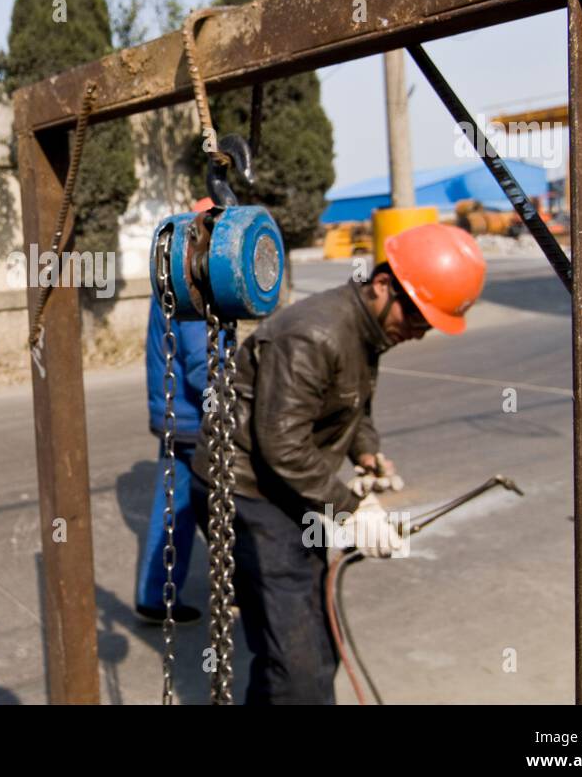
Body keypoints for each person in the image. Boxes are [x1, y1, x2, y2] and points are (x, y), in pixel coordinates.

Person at [189, 223, 486, 704]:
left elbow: (353, 405)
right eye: (415, 315)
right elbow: (281, 445)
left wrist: (366, 452)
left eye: (427, 323)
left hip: (286, 489)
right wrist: (352, 507)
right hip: (247, 494)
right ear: (384, 286)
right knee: (297, 664)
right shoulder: (315, 333)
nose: (417, 331)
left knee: (313, 645)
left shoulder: (367, 330)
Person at [135, 199, 231, 624]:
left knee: (173, 504)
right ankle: (238, 583)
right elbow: (200, 364)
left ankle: (156, 595)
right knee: (211, 505)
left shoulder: (170, 276)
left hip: (177, 416)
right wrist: (232, 406)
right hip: (194, 418)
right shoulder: (193, 285)